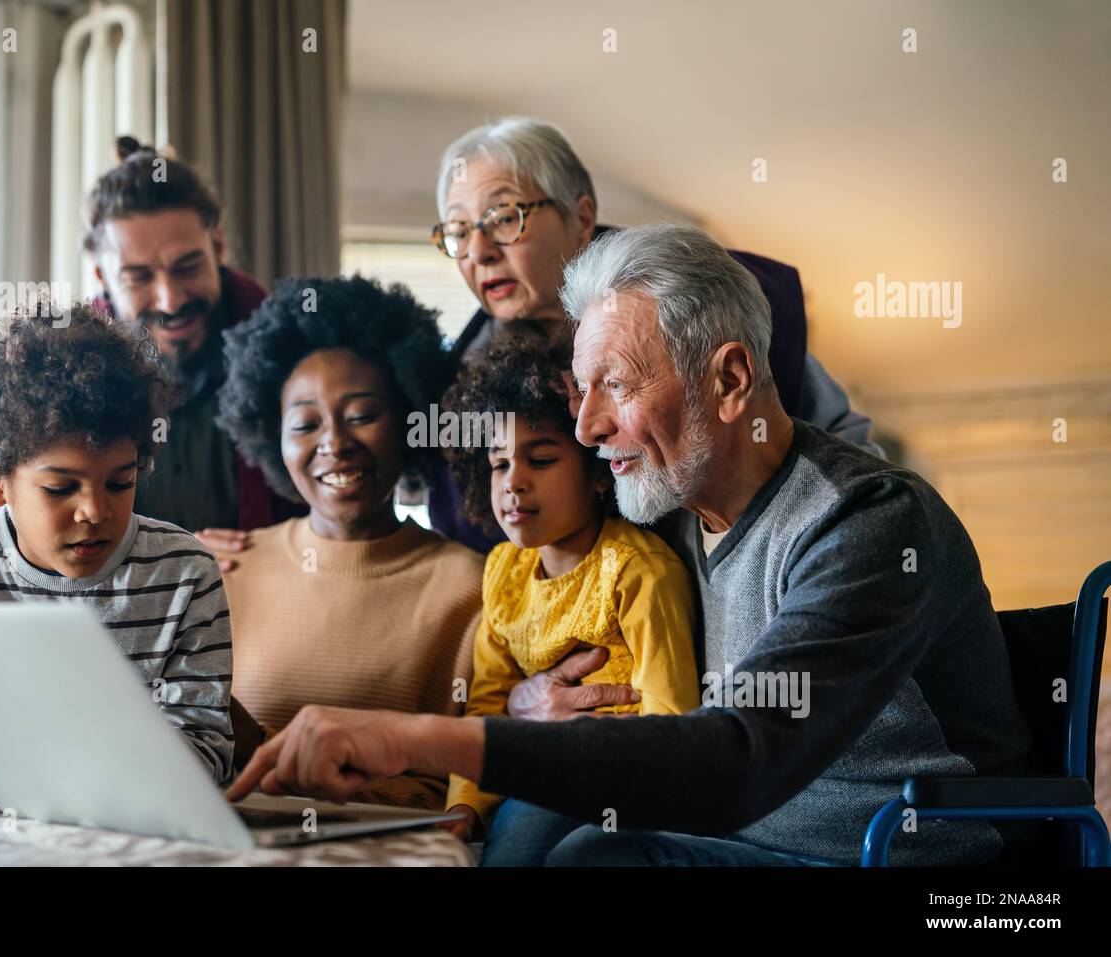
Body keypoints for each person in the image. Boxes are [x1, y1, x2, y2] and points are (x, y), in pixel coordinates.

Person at [227, 224, 1034, 867]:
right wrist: (521, 705)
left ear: (728, 381)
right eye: (584, 393)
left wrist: (412, 735)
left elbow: (739, 754)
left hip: (900, 857)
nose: (586, 429)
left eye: (616, 384)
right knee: (572, 837)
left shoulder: (866, 521)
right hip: (744, 841)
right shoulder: (666, 510)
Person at [425, 116, 880, 552]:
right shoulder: (465, 382)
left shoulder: (697, 299)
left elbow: (850, 457)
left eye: (504, 218)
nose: (478, 252)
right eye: (459, 232)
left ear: (581, 217)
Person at [0, 301, 236, 809]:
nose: (94, 512)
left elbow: (206, 745)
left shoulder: (186, 575)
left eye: (120, 482)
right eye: (60, 488)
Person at [212, 276, 483, 810]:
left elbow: (461, 785)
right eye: (306, 424)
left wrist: (272, 754)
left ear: (409, 420)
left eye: (361, 416)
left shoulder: (468, 585)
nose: (334, 443)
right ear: (273, 439)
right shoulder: (227, 568)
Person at [0, 138, 303, 544]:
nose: (170, 300)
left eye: (188, 267)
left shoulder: (289, 354)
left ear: (217, 247)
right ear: (102, 276)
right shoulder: (62, 363)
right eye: (139, 277)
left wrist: (266, 554)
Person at [439, 339, 700, 855]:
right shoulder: (503, 571)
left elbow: (675, 720)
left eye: (540, 460)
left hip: (623, 787)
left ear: (599, 473)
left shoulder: (636, 570)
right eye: (498, 465)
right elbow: (489, 703)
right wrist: (463, 806)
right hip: (537, 771)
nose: (513, 482)